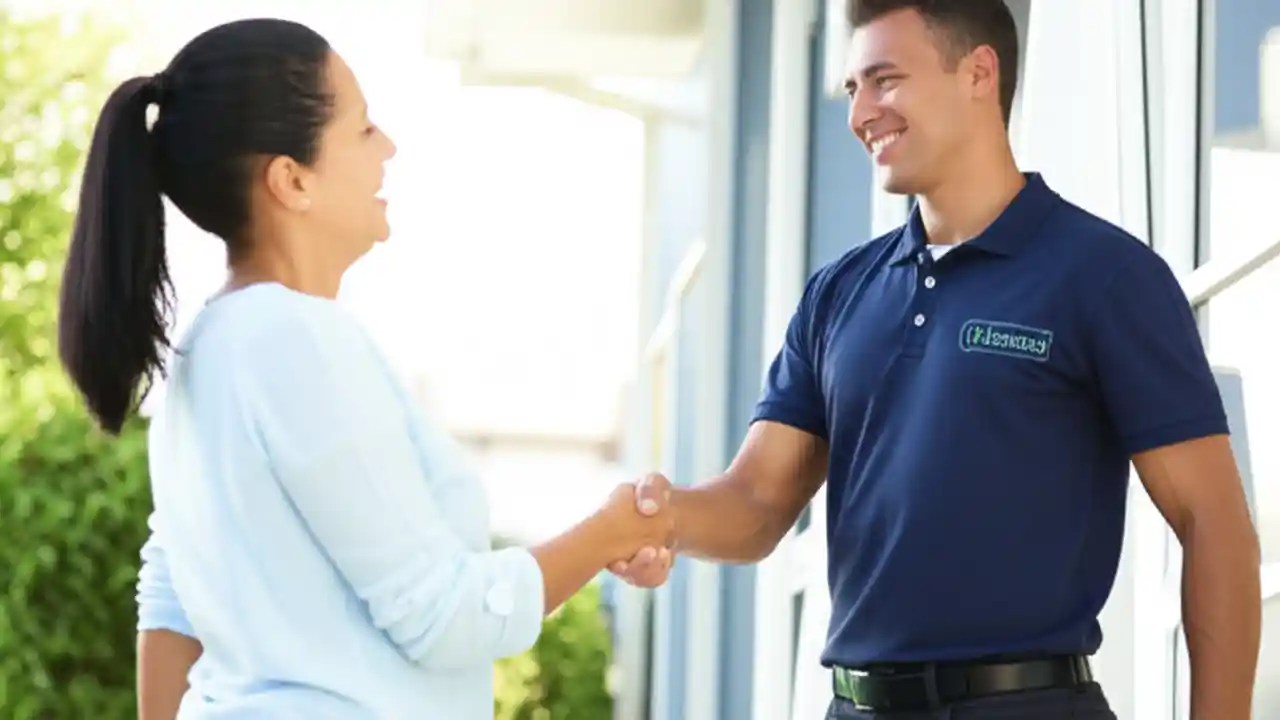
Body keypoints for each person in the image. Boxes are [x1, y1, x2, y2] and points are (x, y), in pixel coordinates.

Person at [612, 1, 1262, 718]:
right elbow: (758, 503)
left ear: (978, 72)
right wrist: (665, 517)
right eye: (854, 87)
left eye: (885, 80)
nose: (861, 113)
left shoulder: (1105, 277)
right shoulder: (838, 294)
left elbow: (1213, 523)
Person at [56, 18, 672, 719]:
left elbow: (171, 603)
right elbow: (444, 617)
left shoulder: (210, 347)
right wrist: (611, 531)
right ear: (291, 179)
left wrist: (601, 543)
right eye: (363, 128)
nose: (388, 148)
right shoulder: (292, 341)